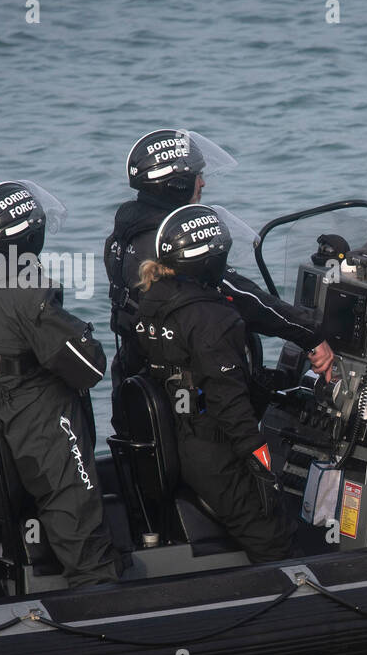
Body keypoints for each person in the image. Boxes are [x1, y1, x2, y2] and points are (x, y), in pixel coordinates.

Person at [0, 180, 121, 587]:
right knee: (74, 507)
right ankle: (101, 600)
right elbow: (88, 367)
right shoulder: (25, 288)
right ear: (28, 236)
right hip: (38, 414)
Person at [104, 129, 334, 432]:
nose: (203, 183)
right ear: (177, 184)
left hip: (135, 383)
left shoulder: (124, 233)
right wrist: (309, 334)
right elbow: (239, 294)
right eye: (197, 176)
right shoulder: (170, 245)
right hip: (181, 399)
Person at [134, 204, 294, 562]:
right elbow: (228, 400)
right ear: (209, 262)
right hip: (211, 450)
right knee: (274, 537)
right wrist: (261, 462)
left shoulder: (151, 300)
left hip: (175, 436)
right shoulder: (212, 317)